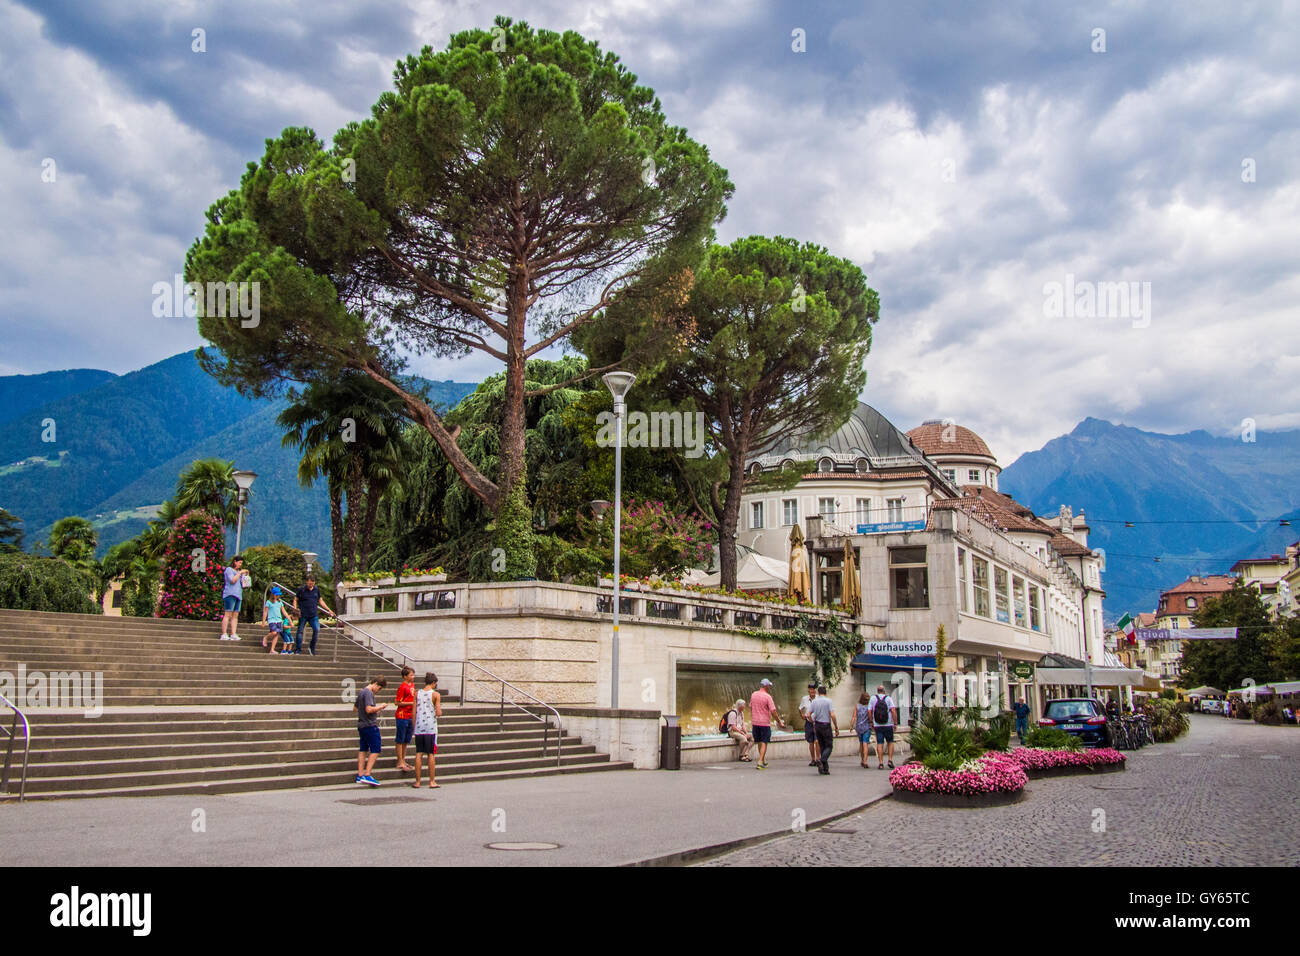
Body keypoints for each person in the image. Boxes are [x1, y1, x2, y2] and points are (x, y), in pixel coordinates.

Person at [747, 678, 788, 770]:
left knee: (759, 741)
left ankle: (763, 760)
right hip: (764, 723)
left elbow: (751, 707)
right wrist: (779, 721)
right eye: (769, 685)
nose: (769, 687)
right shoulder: (768, 697)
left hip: (755, 722)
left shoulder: (753, 694)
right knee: (764, 741)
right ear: (766, 686)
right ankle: (760, 761)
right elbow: (773, 711)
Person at [355, 676, 388, 786]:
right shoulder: (369, 693)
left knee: (363, 749)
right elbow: (369, 709)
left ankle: (360, 775)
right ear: (376, 684)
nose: (378, 691)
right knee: (376, 748)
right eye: (379, 688)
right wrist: (380, 707)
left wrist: (374, 711)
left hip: (361, 724)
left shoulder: (361, 692)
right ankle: (367, 774)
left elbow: (355, 708)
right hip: (370, 725)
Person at [291, 575, 335, 656]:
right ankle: (298, 649)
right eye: (309, 583)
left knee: (316, 629)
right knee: (300, 631)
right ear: (306, 582)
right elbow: (295, 599)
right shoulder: (302, 590)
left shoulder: (316, 590)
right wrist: (295, 609)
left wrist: (328, 610)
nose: (311, 585)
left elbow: (320, 601)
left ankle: (311, 647)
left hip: (313, 614)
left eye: (312, 584)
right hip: (303, 614)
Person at [412, 672, 441, 789]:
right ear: (433, 682)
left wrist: (414, 726)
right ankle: (432, 781)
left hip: (419, 726)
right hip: (430, 727)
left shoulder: (417, 693)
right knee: (430, 754)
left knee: (419, 753)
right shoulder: (435, 694)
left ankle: (417, 782)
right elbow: (439, 713)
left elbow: (414, 711)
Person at [808, 684, 838, 775]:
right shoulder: (829, 701)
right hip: (826, 725)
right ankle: (821, 760)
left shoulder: (814, 701)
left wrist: (812, 721)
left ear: (818, 692)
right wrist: (836, 726)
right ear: (826, 693)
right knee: (829, 746)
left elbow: (808, 714)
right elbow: (832, 715)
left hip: (817, 725)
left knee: (822, 746)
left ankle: (825, 768)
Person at [868, 684, 897, 769]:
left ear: (877, 691)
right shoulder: (888, 698)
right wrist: (895, 723)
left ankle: (881, 763)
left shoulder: (873, 698)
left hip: (877, 725)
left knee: (880, 743)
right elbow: (893, 710)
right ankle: (890, 760)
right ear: (884, 691)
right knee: (890, 742)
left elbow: (869, 711)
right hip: (888, 725)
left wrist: (871, 722)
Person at [219, 555, 248, 641]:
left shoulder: (239, 572)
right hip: (230, 594)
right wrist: (239, 573)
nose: (240, 564)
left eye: (241, 563)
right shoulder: (229, 570)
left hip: (238, 595)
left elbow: (244, 584)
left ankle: (233, 633)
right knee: (227, 614)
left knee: (235, 615)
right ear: (235, 561)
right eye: (239, 562)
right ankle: (224, 633)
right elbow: (232, 580)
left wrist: (245, 576)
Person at [394, 667, 416, 772]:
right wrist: (411, 703)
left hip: (410, 715)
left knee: (406, 740)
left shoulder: (412, 685)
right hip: (402, 715)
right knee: (400, 739)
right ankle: (399, 761)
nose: (413, 677)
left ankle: (403, 759)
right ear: (405, 676)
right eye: (411, 675)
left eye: (413, 674)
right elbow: (397, 702)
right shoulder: (402, 687)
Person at [262, 586, 294, 655]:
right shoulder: (268, 602)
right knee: (274, 632)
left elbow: (284, 612)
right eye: (276, 595)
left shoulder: (280, 602)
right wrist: (263, 621)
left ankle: (272, 650)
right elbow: (265, 612)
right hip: (272, 620)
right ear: (273, 594)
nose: (277, 596)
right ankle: (266, 638)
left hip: (279, 620)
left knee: (276, 634)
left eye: (278, 595)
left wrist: (290, 620)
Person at [799, 681, 821, 766]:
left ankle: (818, 759)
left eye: (813, 689)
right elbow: (800, 708)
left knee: (817, 741)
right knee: (811, 742)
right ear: (808, 690)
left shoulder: (819, 698)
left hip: (817, 722)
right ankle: (813, 759)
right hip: (808, 722)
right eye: (811, 689)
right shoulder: (804, 699)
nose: (812, 691)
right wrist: (802, 715)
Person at [852, 693, 873, 767]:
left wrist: (851, 726)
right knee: (865, 743)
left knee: (861, 743)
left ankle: (862, 759)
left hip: (859, 727)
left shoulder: (857, 706)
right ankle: (865, 761)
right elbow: (871, 716)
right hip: (867, 727)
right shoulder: (869, 707)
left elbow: (854, 717)